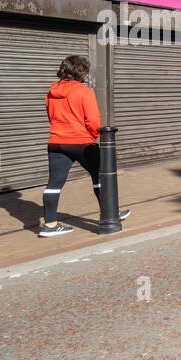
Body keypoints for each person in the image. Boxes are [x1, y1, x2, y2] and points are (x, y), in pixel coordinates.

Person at [40, 55, 131, 237]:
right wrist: (91, 136)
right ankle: (110, 214)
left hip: (56, 141)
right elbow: (93, 120)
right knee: (101, 177)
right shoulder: (84, 92)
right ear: (81, 72)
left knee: (54, 183)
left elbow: (51, 116)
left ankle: (50, 225)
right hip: (80, 141)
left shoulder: (51, 92)